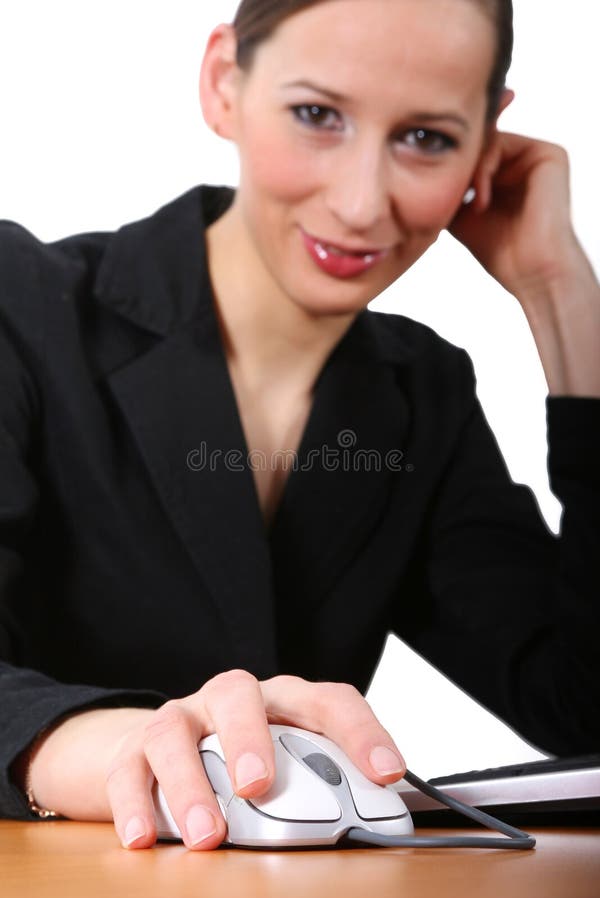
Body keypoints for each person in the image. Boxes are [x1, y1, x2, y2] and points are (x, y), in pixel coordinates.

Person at [0, 0, 598, 852]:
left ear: (486, 147)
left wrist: (564, 295)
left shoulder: (420, 393)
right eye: (317, 116)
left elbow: (581, 702)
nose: (362, 205)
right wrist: (126, 752)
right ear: (223, 82)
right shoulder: (23, 306)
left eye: (427, 137)